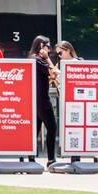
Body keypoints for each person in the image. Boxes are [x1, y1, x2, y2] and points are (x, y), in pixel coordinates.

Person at [29, 36, 58, 164]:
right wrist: (47, 58)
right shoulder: (38, 60)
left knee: (35, 129)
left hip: (34, 99)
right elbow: (54, 73)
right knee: (52, 127)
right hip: (42, 100)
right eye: (48, 46)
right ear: (41, 46)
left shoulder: (32, 59)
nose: (50, 49)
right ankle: (51, 159)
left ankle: (31, 157)